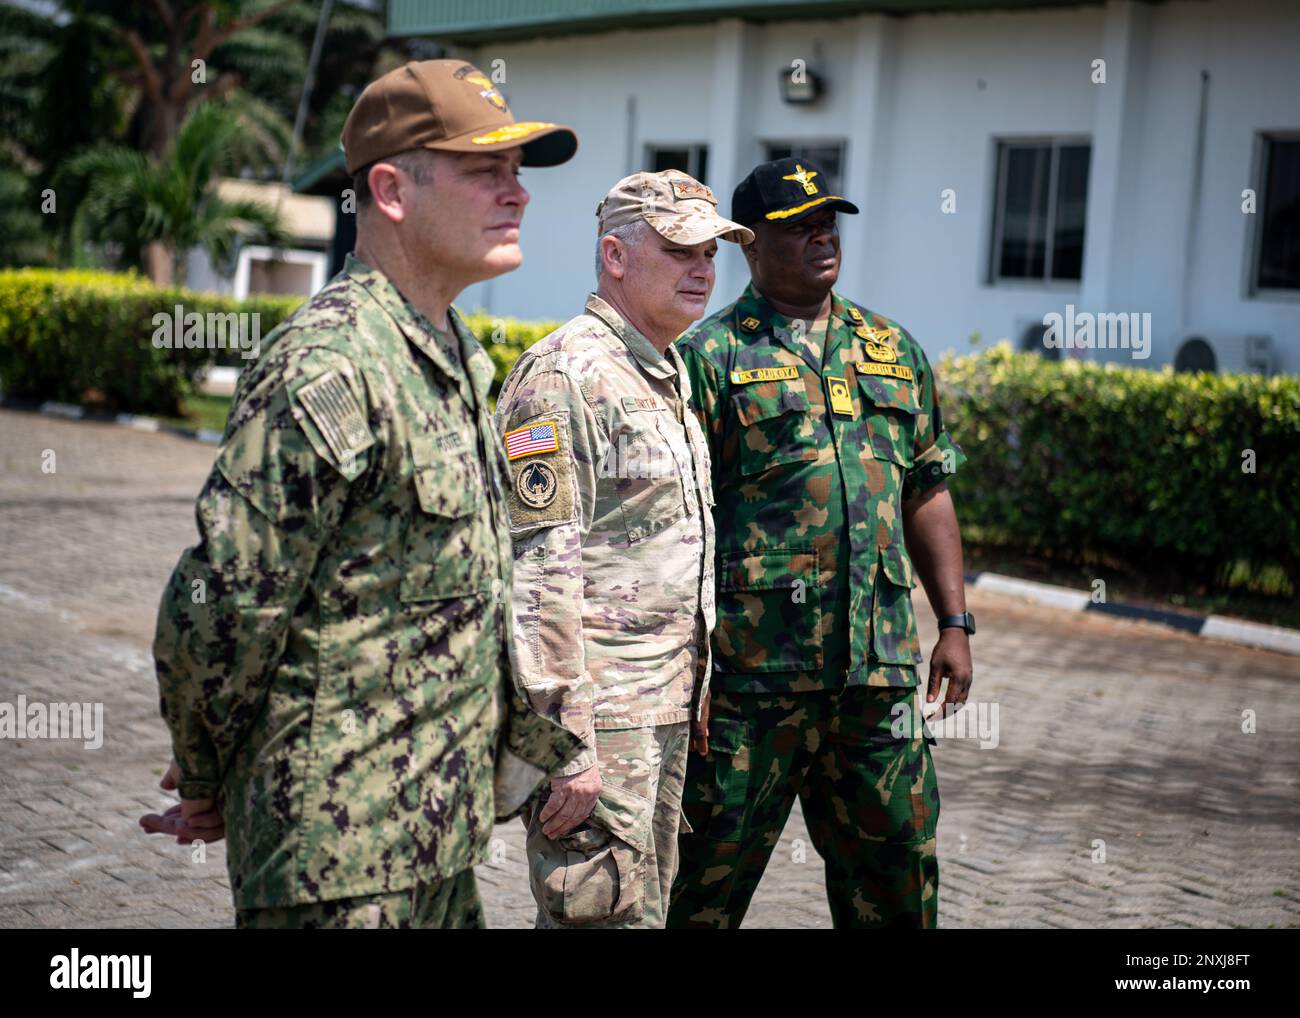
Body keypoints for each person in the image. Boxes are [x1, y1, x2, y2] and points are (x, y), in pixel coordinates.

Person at [139, 59, 583, 929]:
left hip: (438, 848)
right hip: (338, 871)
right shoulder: (331, 363)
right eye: (485, 169)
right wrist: (205, 773)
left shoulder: (452, 352)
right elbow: (220, 606)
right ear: (390, 189)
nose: (518, 193)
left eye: (518, 172)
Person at [667, 157, 975, 929]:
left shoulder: (892, 348)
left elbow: (928, 487)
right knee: (702, 885)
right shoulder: (710, 357)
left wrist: (957, 623)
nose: (821, 237)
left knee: (899, 874)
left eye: (827, 221)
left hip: (874, 679)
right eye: (797, 226)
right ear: (750, 245)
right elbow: (678, 518)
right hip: (751, 682)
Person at [493, 170, 752, 927]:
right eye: (680, 252)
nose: (703, 270)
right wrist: (567, 743)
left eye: (711, 252)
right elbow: (537, 575)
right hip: (599, 727)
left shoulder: (661, 373)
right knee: (598, 919)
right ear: (615, 254)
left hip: (660, 714)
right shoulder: (561, 374)